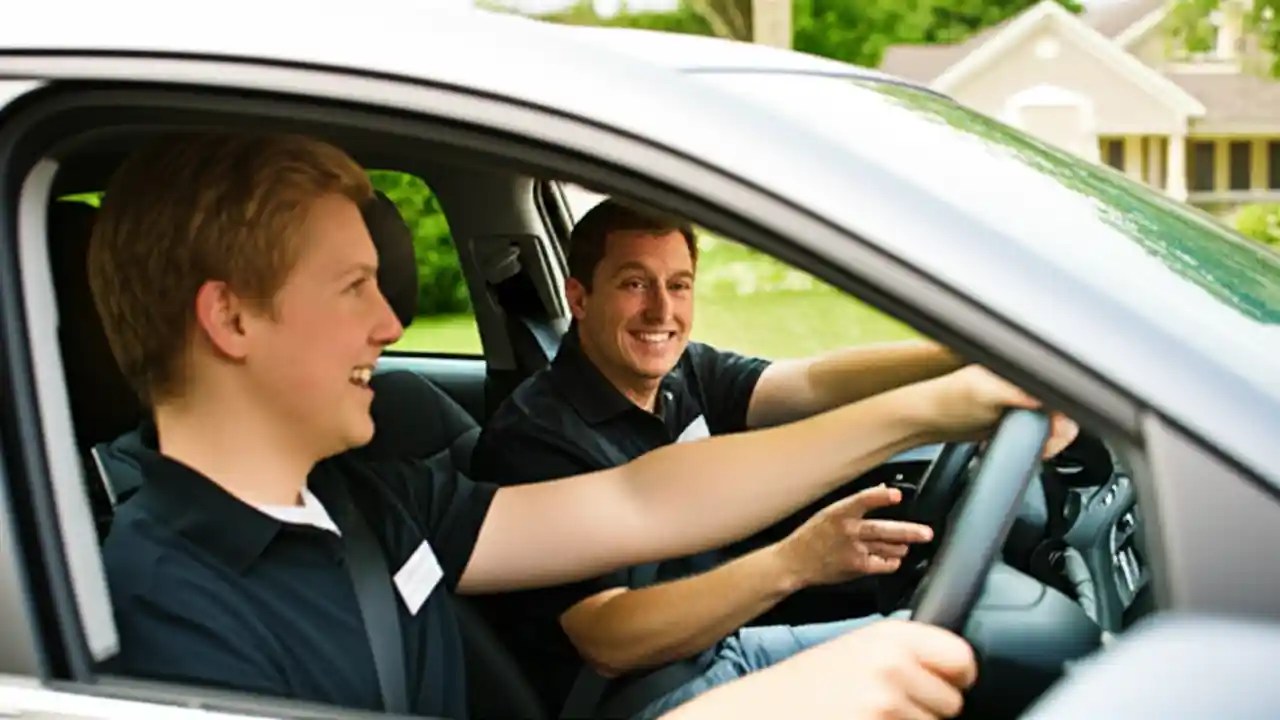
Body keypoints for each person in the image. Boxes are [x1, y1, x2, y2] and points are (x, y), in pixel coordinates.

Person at [89, 131, 1075, 720]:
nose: (389, 326)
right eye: (353, 289)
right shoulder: (166, 609)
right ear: (229, 319)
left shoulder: (371, 501)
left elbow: (636, 498)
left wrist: (940, 403)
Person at [470, 199, 981, 718]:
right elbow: (607, 641)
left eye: (679, 285)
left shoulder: (683, 374)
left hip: (714, 650)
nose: (661, 311)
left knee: (953, 649)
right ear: (579, 298)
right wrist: (797, 562)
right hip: (641, 699)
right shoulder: (532, 439)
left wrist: (965, 360)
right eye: (634, 283)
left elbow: (811, 381)